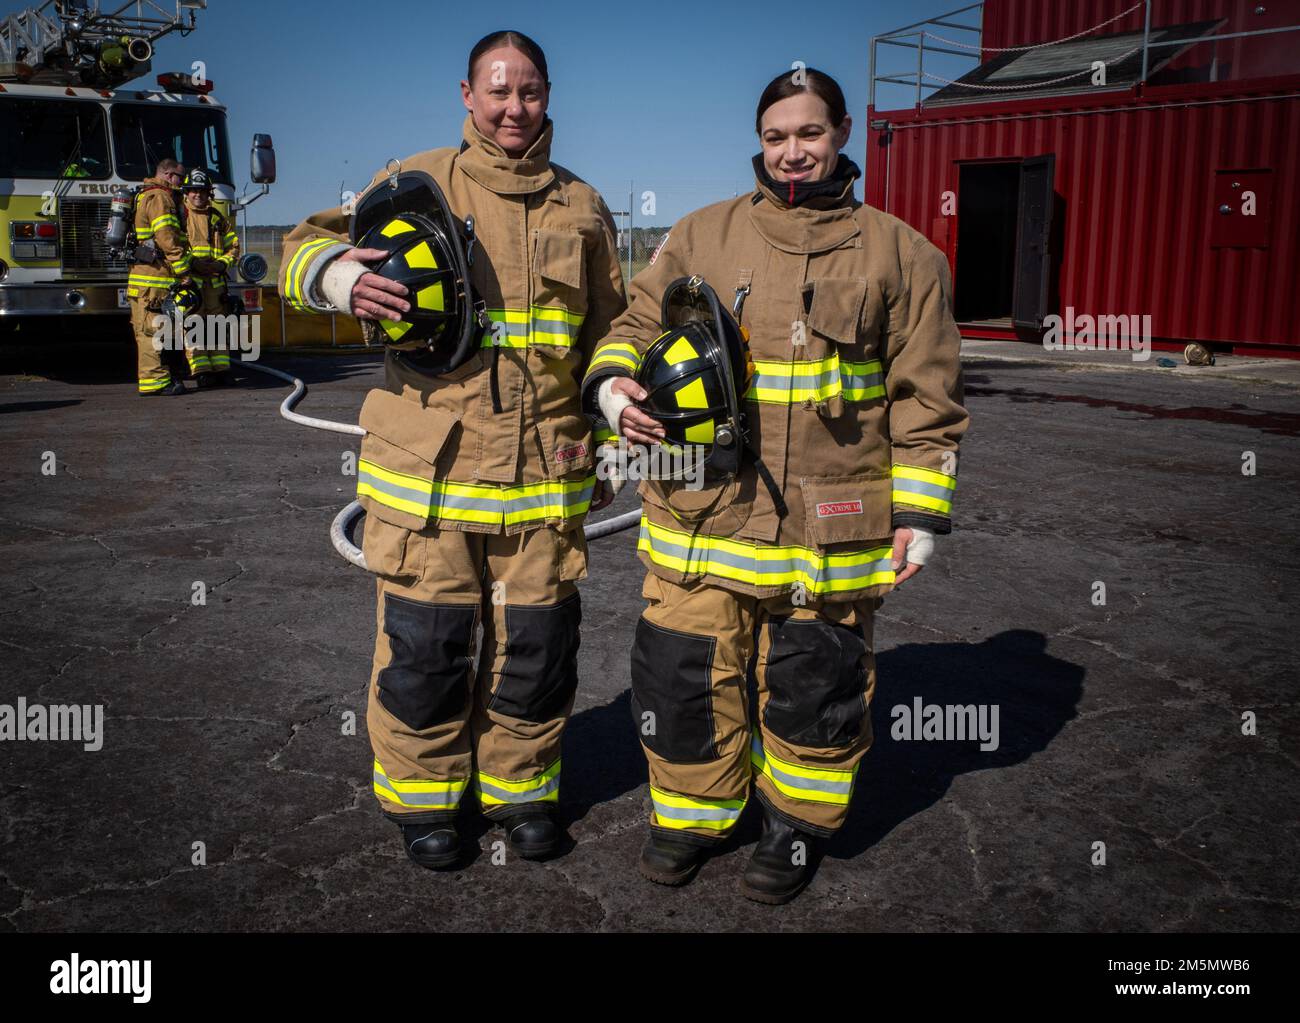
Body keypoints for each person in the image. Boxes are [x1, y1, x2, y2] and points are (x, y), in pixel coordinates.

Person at [582, 68, 970, 904]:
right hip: (698, 519)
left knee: (814, 687)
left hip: (828, 532)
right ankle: (691, 815)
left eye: (808, 134)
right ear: (759, 142)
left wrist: (918, 514)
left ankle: (796, 829)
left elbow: (927, 398)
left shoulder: (902, 254)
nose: (791, 153)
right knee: (682, 677)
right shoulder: (700, 236)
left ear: (841, 134)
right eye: (775, 137)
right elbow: (634, 327)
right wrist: (615, 392)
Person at [279, 30, 626, 868]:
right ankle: (424, 801)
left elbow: (614, 331)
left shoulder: (583, 207)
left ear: (548, 97)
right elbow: (297, 245)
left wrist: (612, 428)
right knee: (427, 646)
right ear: (466, 96)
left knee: (535, 649)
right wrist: (336, 277)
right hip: (428, 473)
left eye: (530, 91)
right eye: (498, 91)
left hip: (547, 476)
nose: (515, 107)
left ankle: (521, 790)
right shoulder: (416, 179)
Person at [127, 158, 191, 395]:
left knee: (154, 329)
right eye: (180, 177)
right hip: (152, 278)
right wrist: (183, 268)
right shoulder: (159, 197)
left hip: (151, 278)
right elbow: (166, 236)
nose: (182, 182)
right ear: (166, 174)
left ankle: (160, 377)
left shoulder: (150, 195)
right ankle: (155, 381)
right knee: (150, 331)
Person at [181, 168, 240, 387]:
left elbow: (233, 247)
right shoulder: (180, 217)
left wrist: (220, 263)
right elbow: (174, 248)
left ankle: (221, 368)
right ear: (186, 193)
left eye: (202, 191)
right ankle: (201, 371)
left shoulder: (217, 218)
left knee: (217, 325)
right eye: (194, 191)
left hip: (215, 283)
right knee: (194, 325)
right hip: (191, 282)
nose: (198, 195)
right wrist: (193, 265)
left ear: (209, 194)